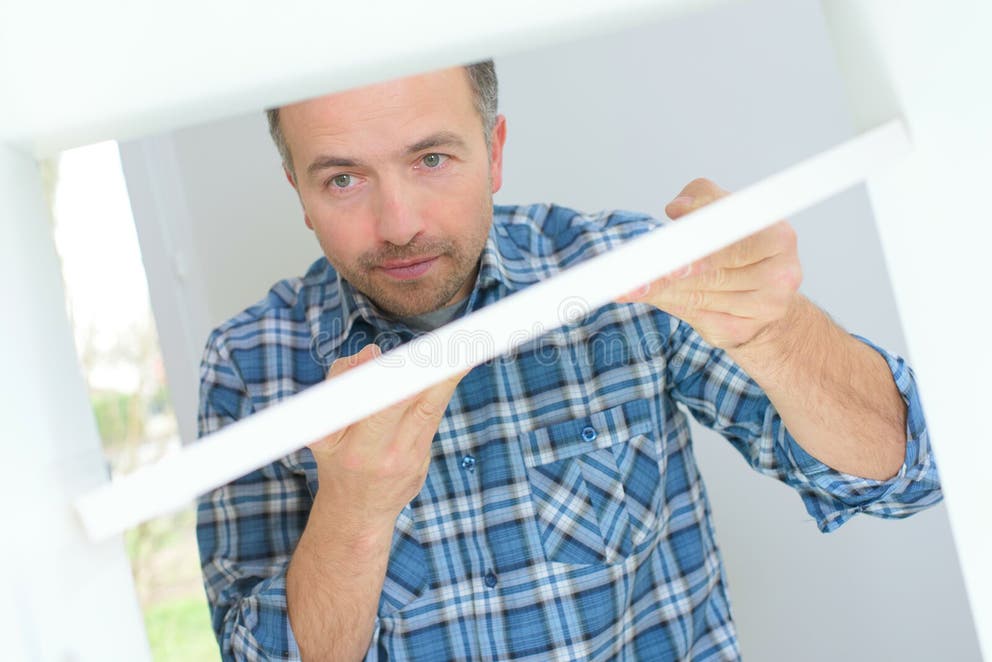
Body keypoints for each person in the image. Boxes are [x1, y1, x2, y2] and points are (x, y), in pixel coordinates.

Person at [195, 60, 941, 661]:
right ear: (299, 190)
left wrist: (779, 334)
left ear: (493, 152)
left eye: (430, 158)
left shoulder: (626, 274)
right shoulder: (248, 367)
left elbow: (908, 476)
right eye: (344, 180)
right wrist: (356, 509)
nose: (399, 225)